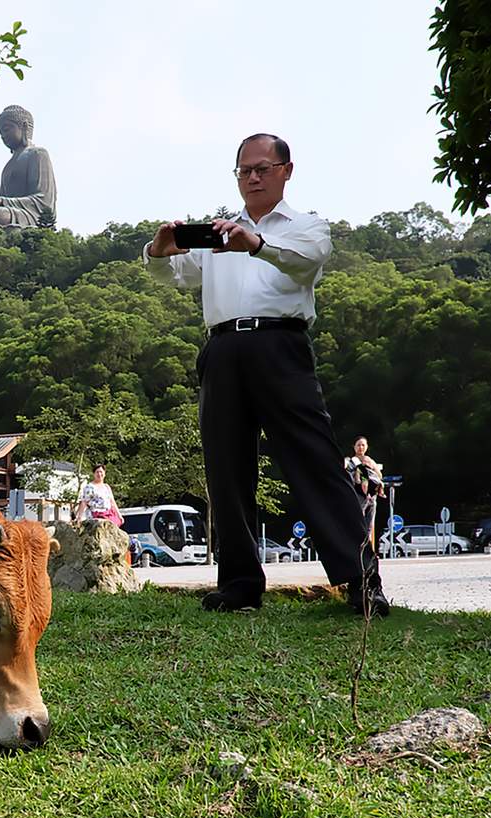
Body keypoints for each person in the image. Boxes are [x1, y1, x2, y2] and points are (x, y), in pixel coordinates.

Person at [142, 133, 388, 616]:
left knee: (314, 459)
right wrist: (158, 250)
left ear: (286, 170)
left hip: (281, 345)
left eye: (262, 168)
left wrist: (255, 243)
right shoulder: (219, 232)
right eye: (244, 171)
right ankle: (238, 585)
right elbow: (174, 275)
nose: (252, 177)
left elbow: (305, 263)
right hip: (223, 348)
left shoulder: (306, 226)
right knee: (226, 469)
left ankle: (361, 580)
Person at [344, 436, 384, 548]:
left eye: (363, 445)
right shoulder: (351, 461)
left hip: (372, 496)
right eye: (358, 445)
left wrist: (371, 466)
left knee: (369, 525)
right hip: (359, 496)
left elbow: (380, 476)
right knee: (358, 521)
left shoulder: (370, 460)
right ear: (354, 447)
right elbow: (344, 467)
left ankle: (367, 548)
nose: (361, 447)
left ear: (367, 447)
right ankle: (356, 546)